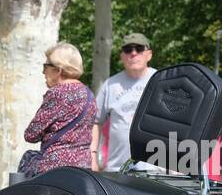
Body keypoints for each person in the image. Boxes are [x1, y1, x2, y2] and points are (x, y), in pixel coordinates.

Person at [22, 42, 97, 175]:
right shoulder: (89, 95)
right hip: (83, 170)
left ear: (59, 69)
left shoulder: (58, 93)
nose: (43, 71)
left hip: (54, 171)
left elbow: (31, 135)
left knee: (28, 159)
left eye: (46, 66)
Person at [91, 32, 156, 171]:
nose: (133, 53)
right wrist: (93, 157)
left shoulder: (161, 81)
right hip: (117, 169)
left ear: (149, 54)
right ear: (122, 56)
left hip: (155, 169)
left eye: (139, 49)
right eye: (128, 50)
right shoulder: (110, 85)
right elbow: (95, 122)